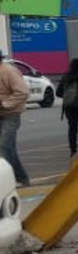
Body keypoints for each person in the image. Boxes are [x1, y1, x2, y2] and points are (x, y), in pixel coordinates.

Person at [0, 51, 29, 187]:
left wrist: (6, 103)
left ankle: (4, 184)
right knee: (9, 148)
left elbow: (22, 91)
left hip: (11, 114)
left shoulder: (8, 71)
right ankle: (22, 178)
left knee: (4, 147)